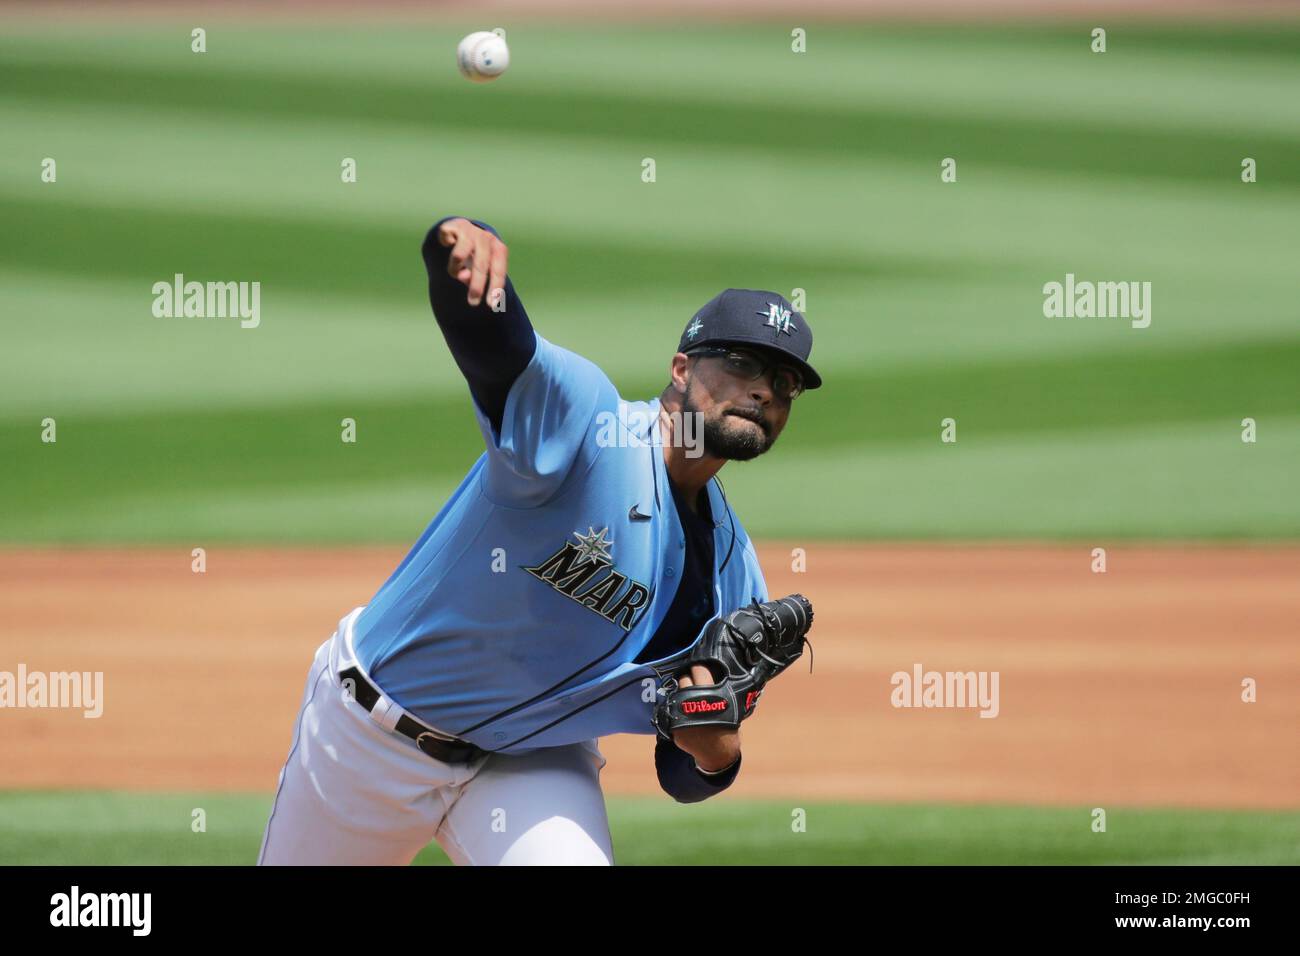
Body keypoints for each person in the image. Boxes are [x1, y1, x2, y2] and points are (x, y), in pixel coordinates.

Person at [258, 216, 822, 865]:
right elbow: (496, 346)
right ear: (681, 368)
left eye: (785, 383)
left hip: (533, 762)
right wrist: (457, 254)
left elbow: (684, 772)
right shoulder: (585, 424)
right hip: (370, 739)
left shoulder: (735, 579)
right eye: (744, 363)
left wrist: (716, 748)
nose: (764, 390)